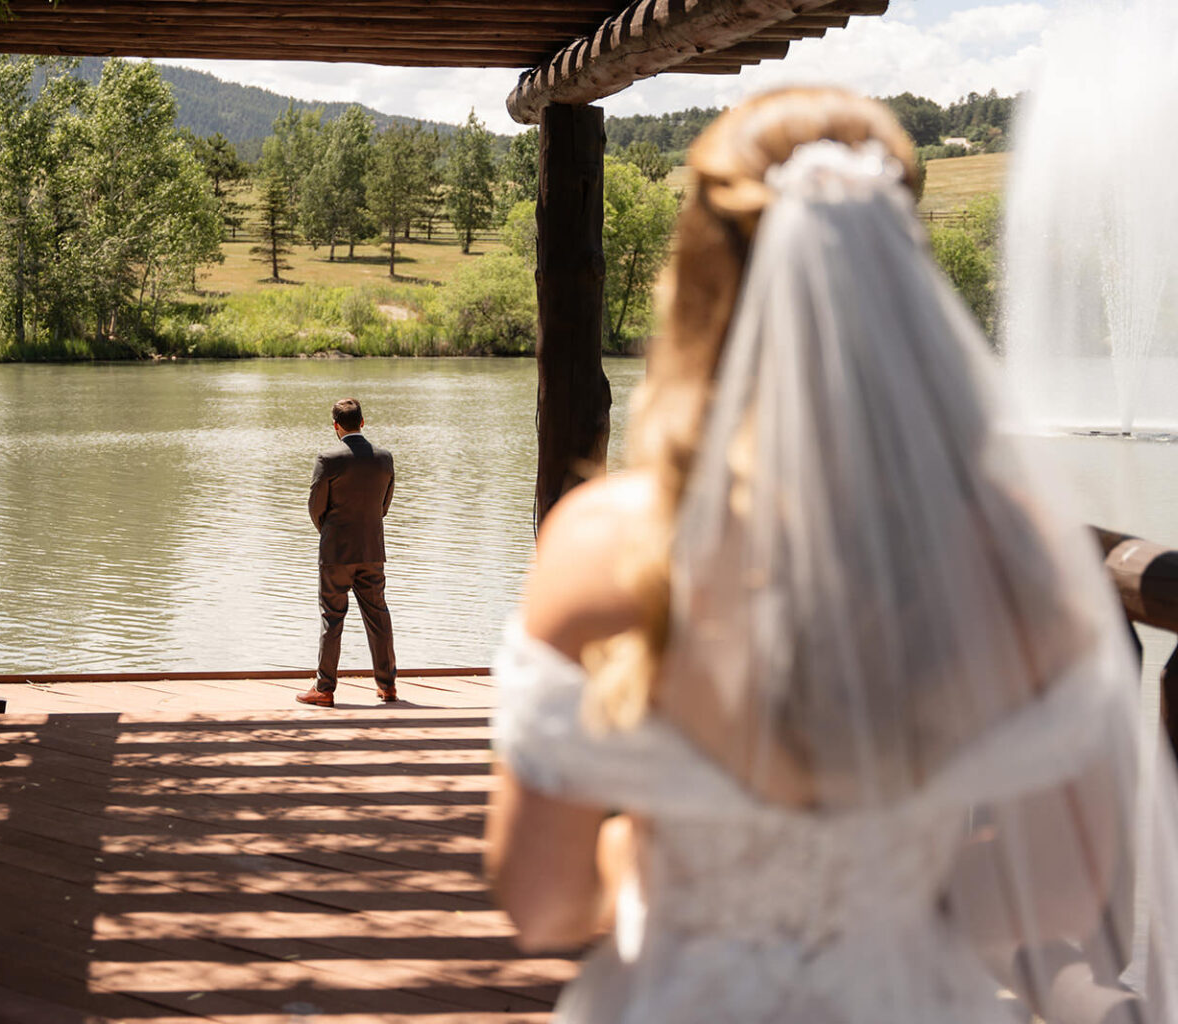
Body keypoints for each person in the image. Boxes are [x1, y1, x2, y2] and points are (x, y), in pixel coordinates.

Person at [485, 87, 1178, 1024]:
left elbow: (542, 905)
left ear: (694, 285)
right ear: (903, 278)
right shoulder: (1017, 555)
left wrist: (641, 870)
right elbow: (1058, 886)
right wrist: (876, 906)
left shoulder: (608, 543)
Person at [297, 398, 398, 708]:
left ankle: (324, 688)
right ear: (362, 423)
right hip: (371, 550)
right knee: (378, 615)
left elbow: (316, 507)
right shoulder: (384, 458)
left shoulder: (328, 459)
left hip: (336, 552)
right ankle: (387, 686)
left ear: (336, 426)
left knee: (332, 618)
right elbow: (384, 505)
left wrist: (329, 532)